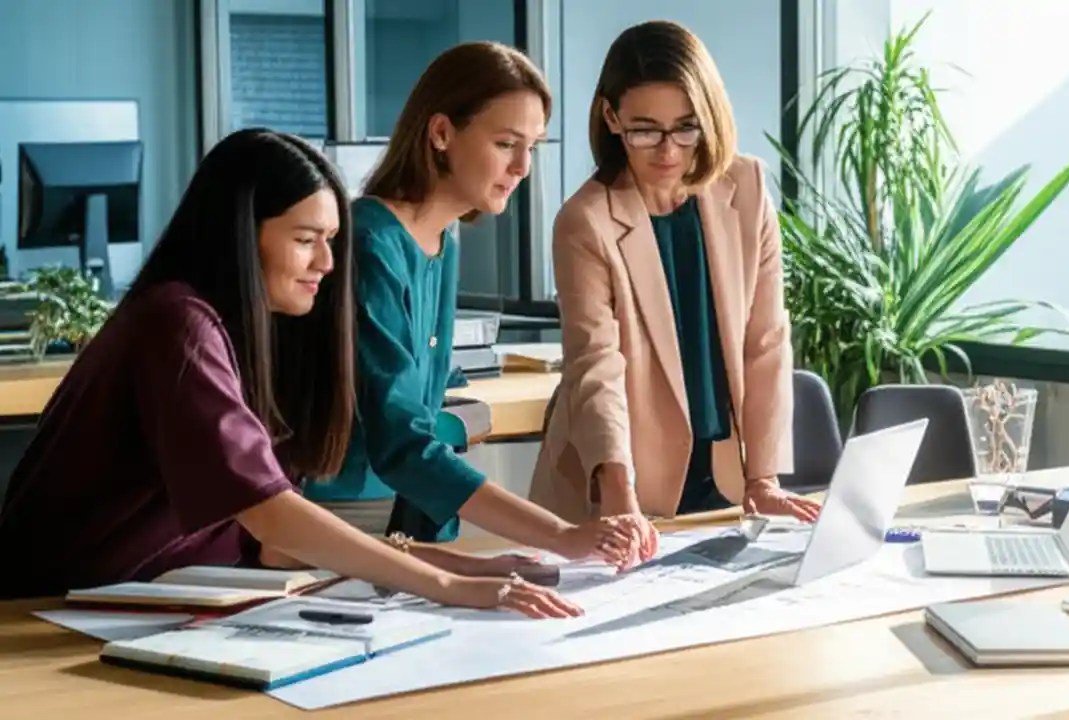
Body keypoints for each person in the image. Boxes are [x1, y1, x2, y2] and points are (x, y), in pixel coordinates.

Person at [0, 128, 604, 618]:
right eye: (306, 239)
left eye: (332, 240)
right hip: (46, 618)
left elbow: (270, 543)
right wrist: (443, 586)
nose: (327, 263)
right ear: (242, 235)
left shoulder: (251, 332)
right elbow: (269, 511)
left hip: (150, 605)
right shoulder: (177, 324)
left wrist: (451, 562)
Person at [303, 41, 645, 567]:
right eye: (507, 143)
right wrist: (559, 535)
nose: (523, 166)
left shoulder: (444, 240)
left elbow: (422, 396)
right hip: (344, 512)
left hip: (401, 512)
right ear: (441, 133)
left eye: (533, 146)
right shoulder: (371, 241)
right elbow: (401, 439)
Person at [529, 20, 823, 535]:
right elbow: (597, 366)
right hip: (621, 486)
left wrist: (764, 479)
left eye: (686, 127)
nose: (668, 150)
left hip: (726, 476)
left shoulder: (747, 187)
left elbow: (766, 344)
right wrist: (620, 493)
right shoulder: (585, 221)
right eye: (645, 129)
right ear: (611, 118)